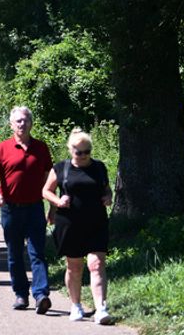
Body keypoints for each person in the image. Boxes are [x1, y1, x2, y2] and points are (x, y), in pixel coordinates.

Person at [42, 130, 114, 325]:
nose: (83, 156)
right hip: (70, 224)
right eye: (79, 152)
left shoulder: (99, 167)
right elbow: (46, 191)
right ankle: (76, 305)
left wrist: (108, 197)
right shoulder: (61, 168)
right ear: (70, 149)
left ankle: (101, 308)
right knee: (74, 267)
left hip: (96, 222)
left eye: (87, 151)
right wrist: (58, 201)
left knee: (97, 264)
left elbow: (106, 188)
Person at [0, 105, 54, 313]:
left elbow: (49, 179)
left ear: (31, 123)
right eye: (18, 121)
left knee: (37, 253)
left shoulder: (41, 148)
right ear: (11, 125)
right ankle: (21, 294)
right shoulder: (2, 148)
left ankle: (41, 294)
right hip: (11, 209)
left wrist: (53, 206)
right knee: (14, 253)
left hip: (34, 208)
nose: (22, 124)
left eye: (25, 120)